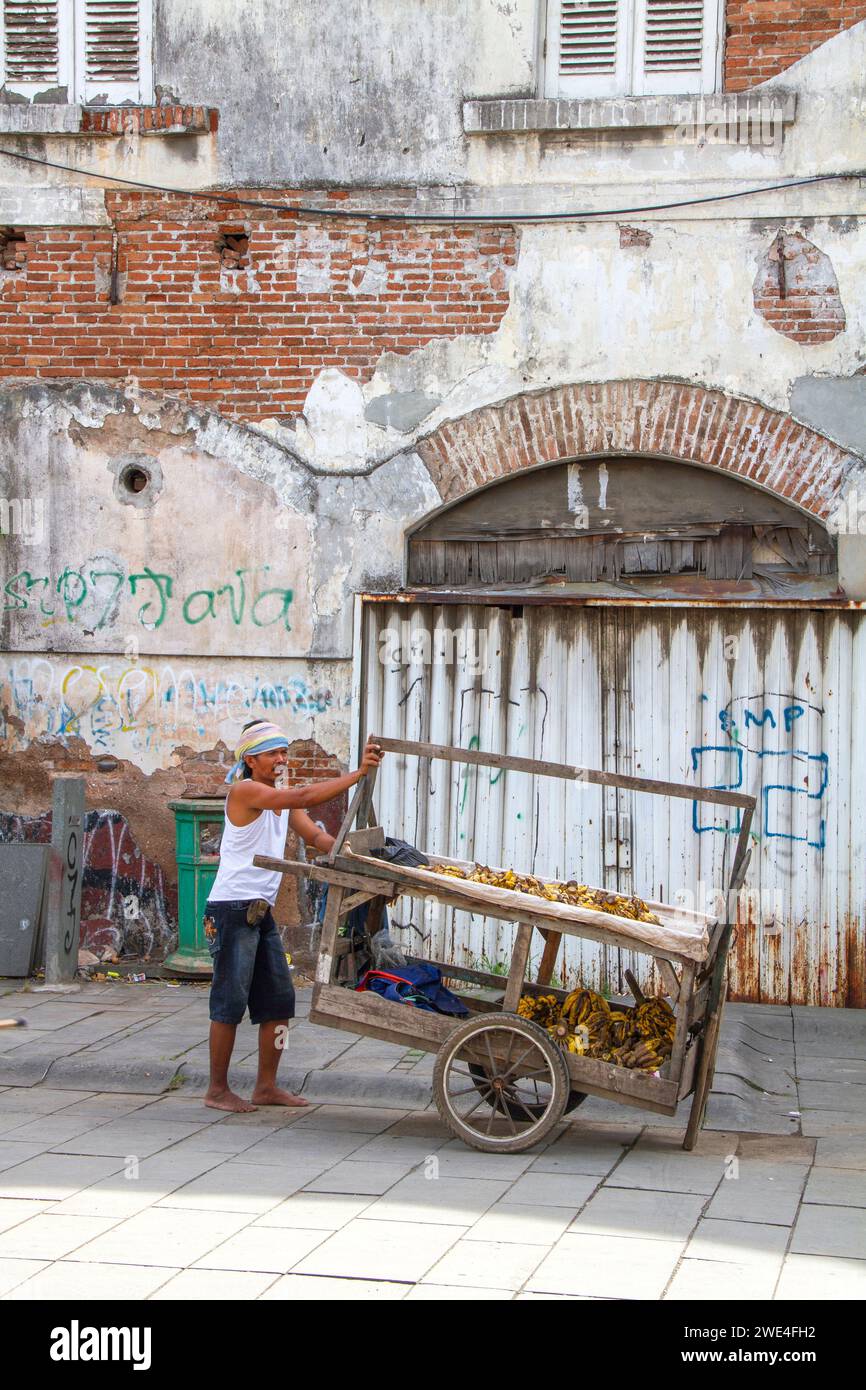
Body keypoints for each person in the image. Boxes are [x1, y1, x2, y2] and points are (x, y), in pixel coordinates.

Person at [204, 720, 383, 1112]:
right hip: (232, 909)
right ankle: (217, 1089)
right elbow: (303, 796)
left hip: (259, 912)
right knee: (229, 1002)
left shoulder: (279, 800)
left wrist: (351, 856)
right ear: (251, 760)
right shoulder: (246, 791)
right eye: (273, 753)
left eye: (284, 752)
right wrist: (358, 774)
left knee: (280, 1002)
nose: (282, 760)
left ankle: (265, 1086)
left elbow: (314, 836)